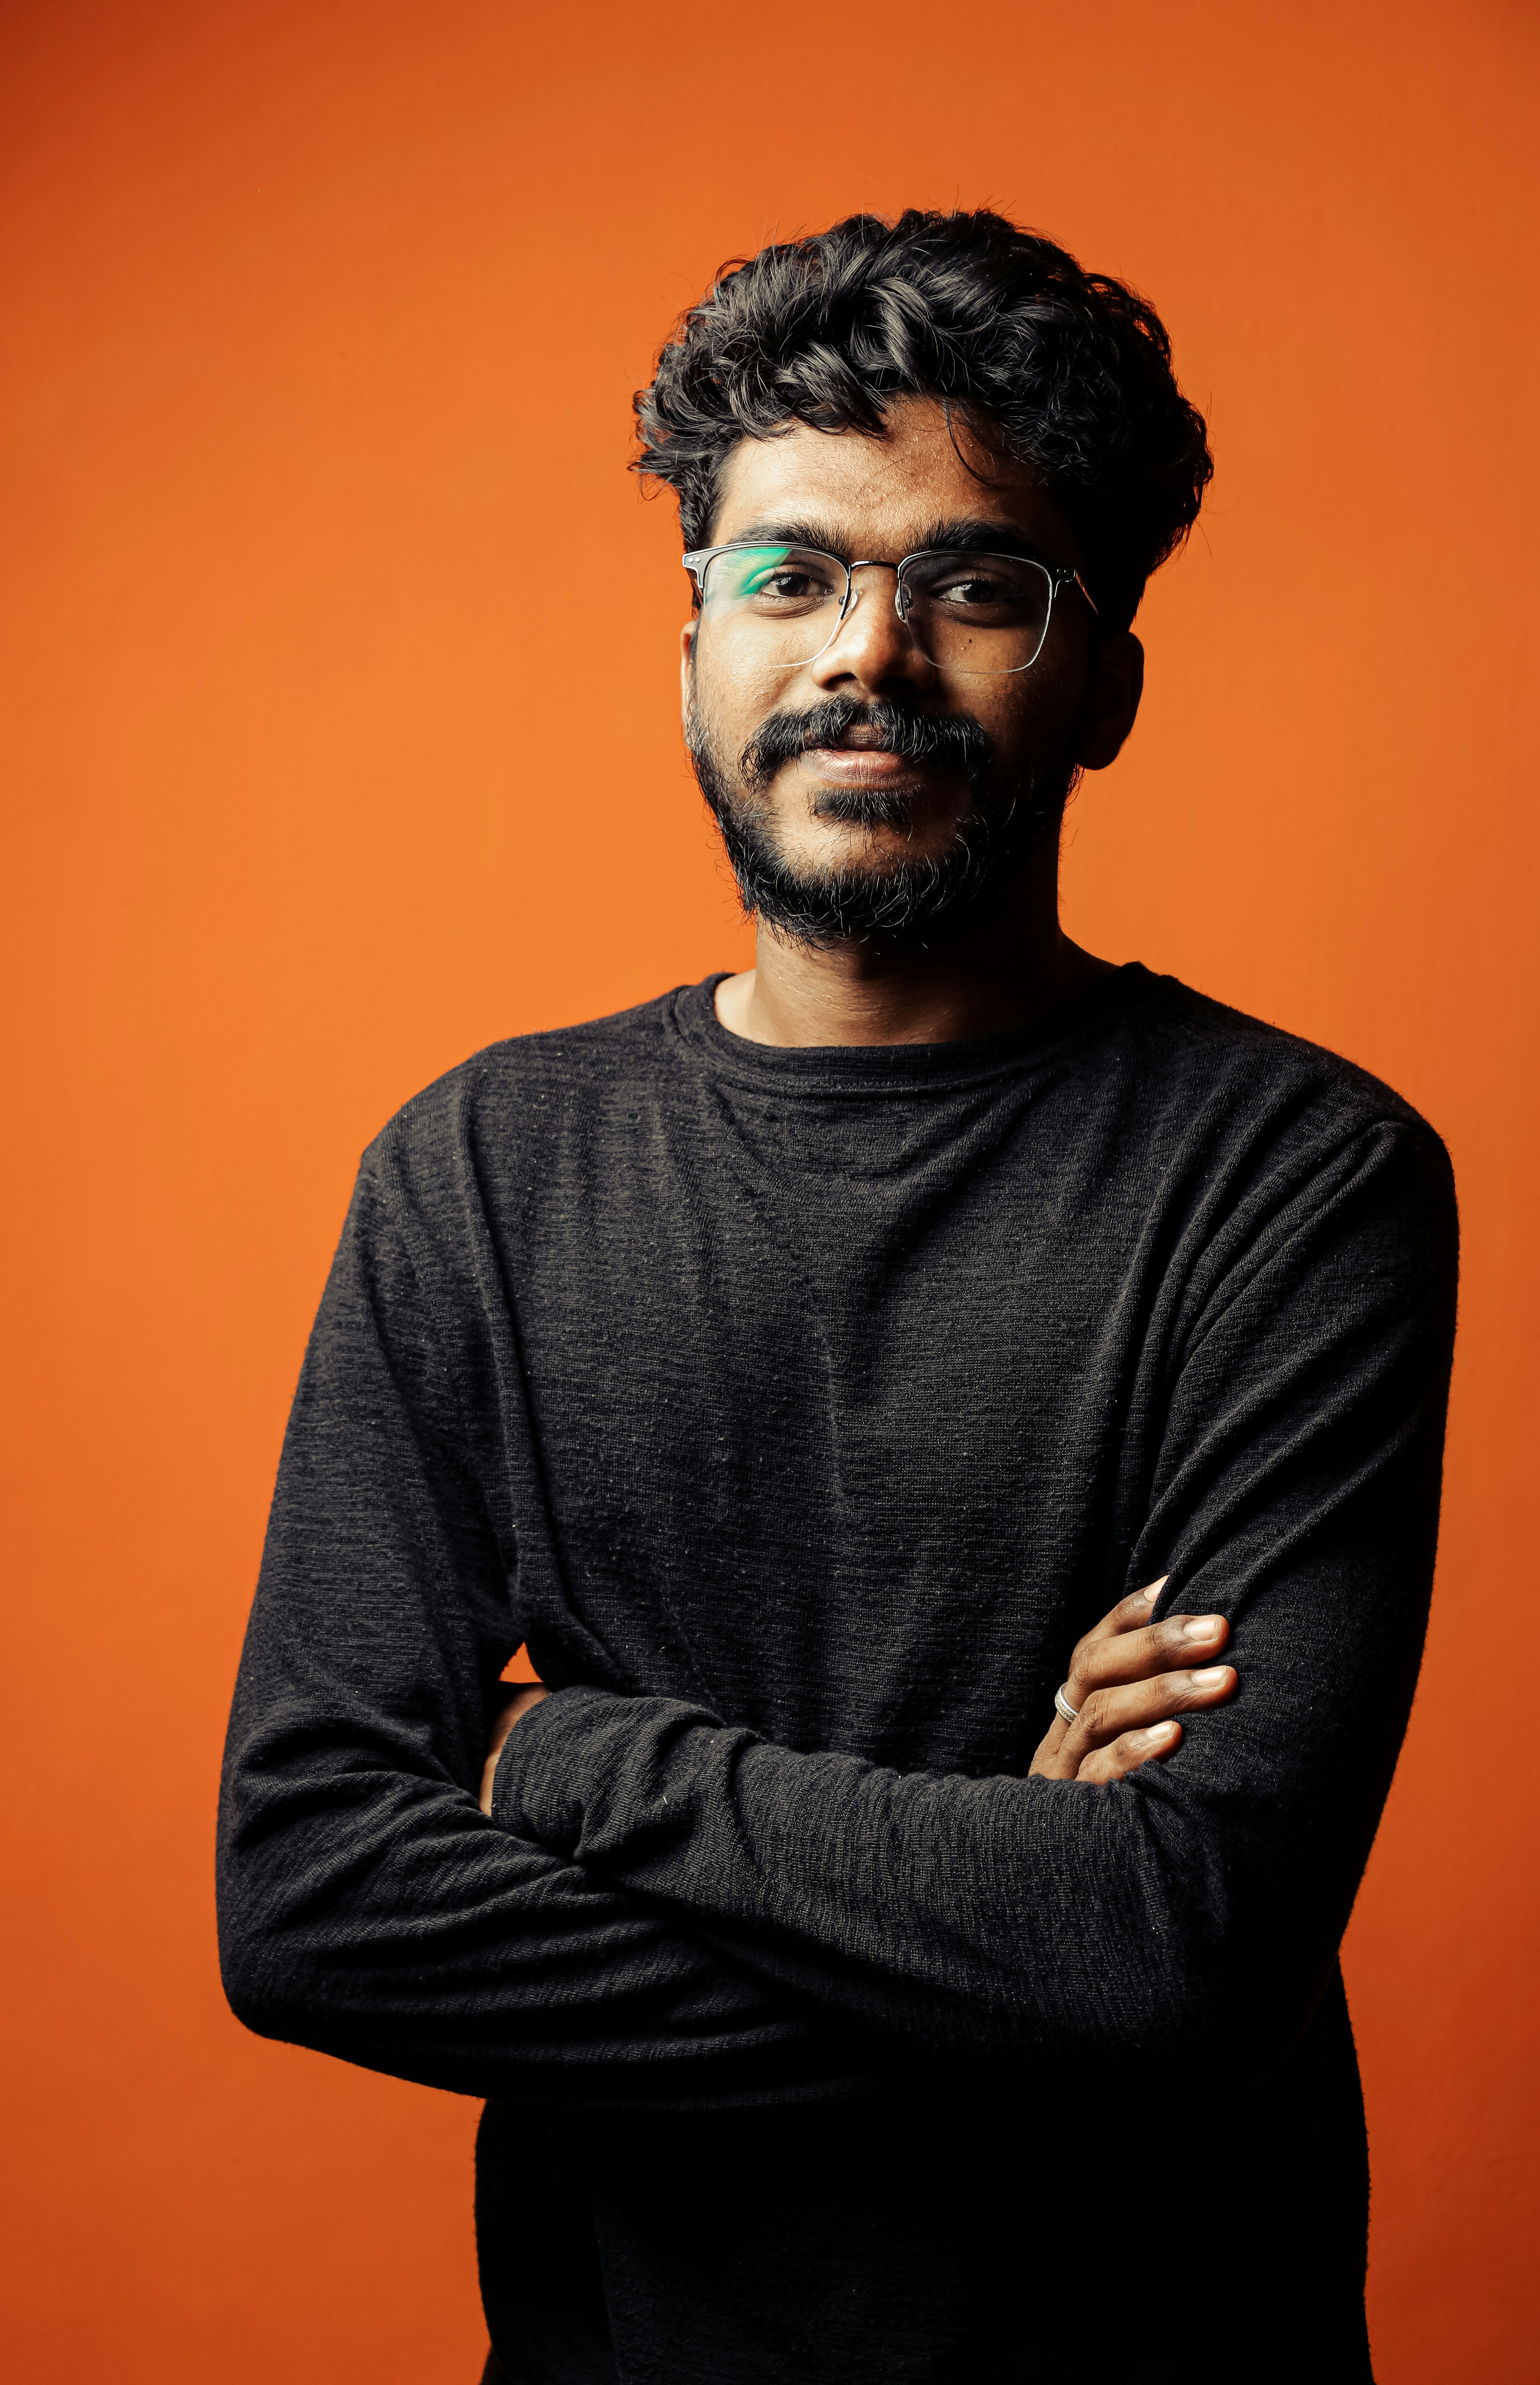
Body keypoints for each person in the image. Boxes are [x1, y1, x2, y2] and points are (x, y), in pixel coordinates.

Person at [217, 210, 1458, 2383]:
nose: (865, 651)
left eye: (974, 584)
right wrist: (1013, 1951)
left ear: (1108, 680)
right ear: (688, 646)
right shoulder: (482, 1174)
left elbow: (1182, 1952)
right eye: (785, 572)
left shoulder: (1302, 1177)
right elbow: (315, 1897)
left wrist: (569, 1759)